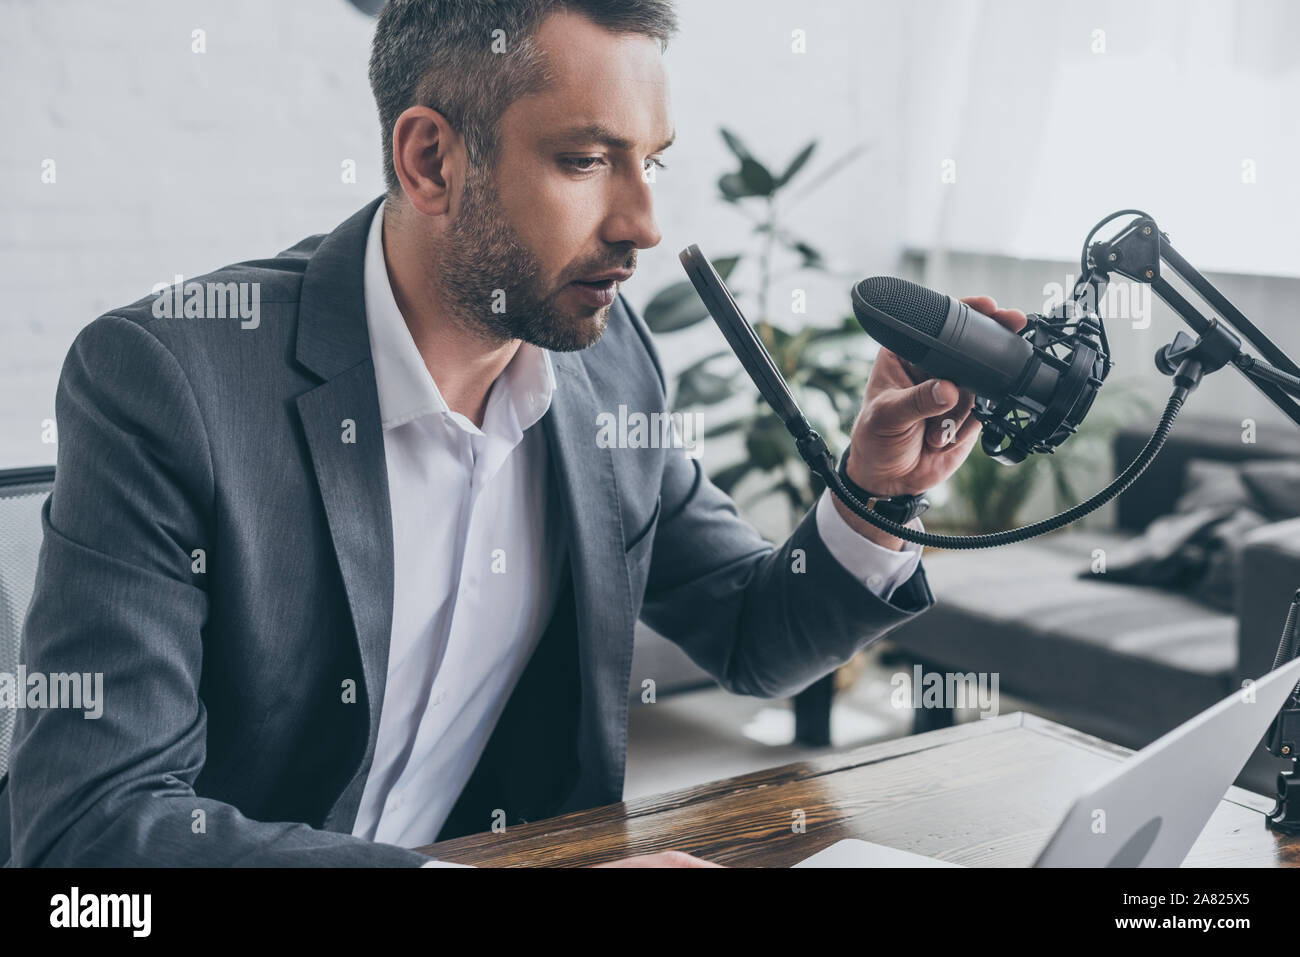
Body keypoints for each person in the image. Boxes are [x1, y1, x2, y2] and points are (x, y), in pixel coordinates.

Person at [3, 0, 1025, 868]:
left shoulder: (607, 358)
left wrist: (875, 491)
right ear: (431, 158)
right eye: (585, 161)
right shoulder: (169, 380)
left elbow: (751, 635)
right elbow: (88, 829)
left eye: (651, 164)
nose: (642, 224)